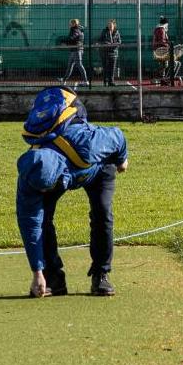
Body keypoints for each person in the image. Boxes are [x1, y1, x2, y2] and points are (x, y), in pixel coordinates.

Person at [17, 86, 128, 297]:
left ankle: (101, 275)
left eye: (47, 187)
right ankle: (53, 278)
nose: (43, 192)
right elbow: (30, 223)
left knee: (102, 213)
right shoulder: (30, 174)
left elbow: (118, 136)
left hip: (97, 167)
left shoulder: (88, 143)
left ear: (58, 176)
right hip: (65, 166)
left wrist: (122, 160)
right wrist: (37, 273)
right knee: (42, 219)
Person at [61, 18, 89, 87]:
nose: (69, 25)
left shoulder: (75, 30)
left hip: (77, 50)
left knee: (79, 65)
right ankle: (64, 80)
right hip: (74, 50)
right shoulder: (77, 29)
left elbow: (72, 38)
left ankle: (86, 81)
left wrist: (64, 41)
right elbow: (72, 39)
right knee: (70, 65)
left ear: (74, 24)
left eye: (70, 23)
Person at [98, 19, 122, 86]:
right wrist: (106, 43)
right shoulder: (104, 31)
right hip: (104, 52)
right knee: (105, 67)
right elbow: (100, 40)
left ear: (114, 25)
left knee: (112, 68)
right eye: (109, 25)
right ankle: (105, 81)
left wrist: (113, 45)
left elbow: (119, 42)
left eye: (111, 25)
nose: (110, 26)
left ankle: (111, 81)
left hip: (113, 53)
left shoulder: (117, 32)